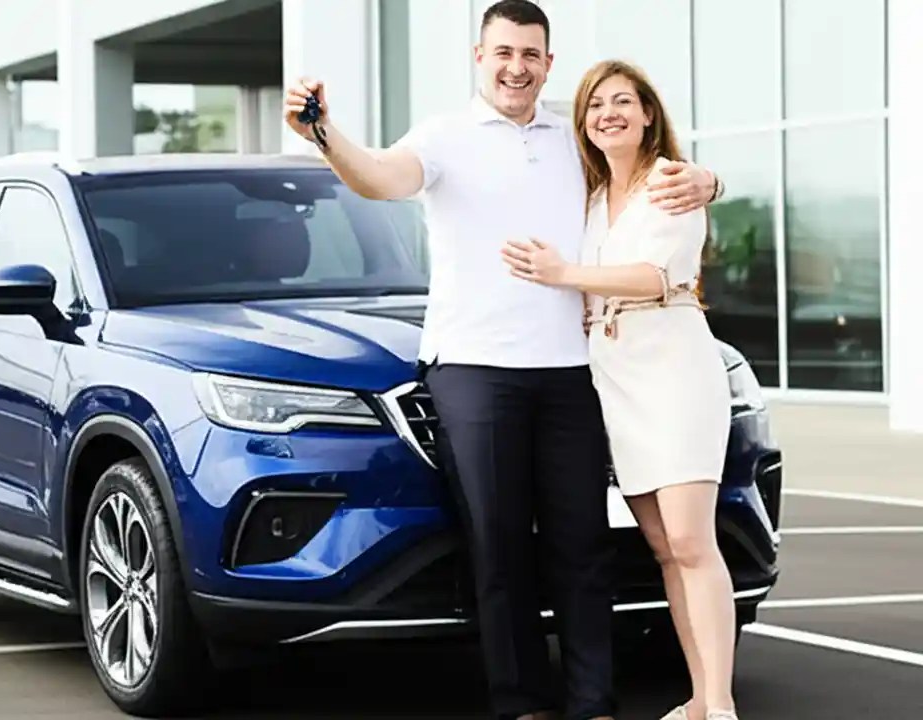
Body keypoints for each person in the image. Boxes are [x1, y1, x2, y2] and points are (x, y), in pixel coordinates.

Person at [282, 2, 723, 719]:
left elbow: (637, 182)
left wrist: (708, 182)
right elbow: (380, 178)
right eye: (503, 53)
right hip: (475, 368)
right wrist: (326, 135)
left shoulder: (572, 136)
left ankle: (593, 703)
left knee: (583, 547)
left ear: (549, 63)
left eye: (531, 54)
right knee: (500, 545)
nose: (516, 66)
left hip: (573, 371)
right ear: (478, 57)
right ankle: (522, 703)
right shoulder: (444, 135)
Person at [499, 59, 739, 720]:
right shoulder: (593, 194)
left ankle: (719, 706)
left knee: (693, 542)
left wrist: (562, 273)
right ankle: (698, 701)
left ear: (648, 114)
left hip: (673, 370)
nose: (608, 113)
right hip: (618, 380)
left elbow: (652, 276)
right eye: (595, 105)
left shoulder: (669, 181)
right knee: (665, 549)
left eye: (622, 102)